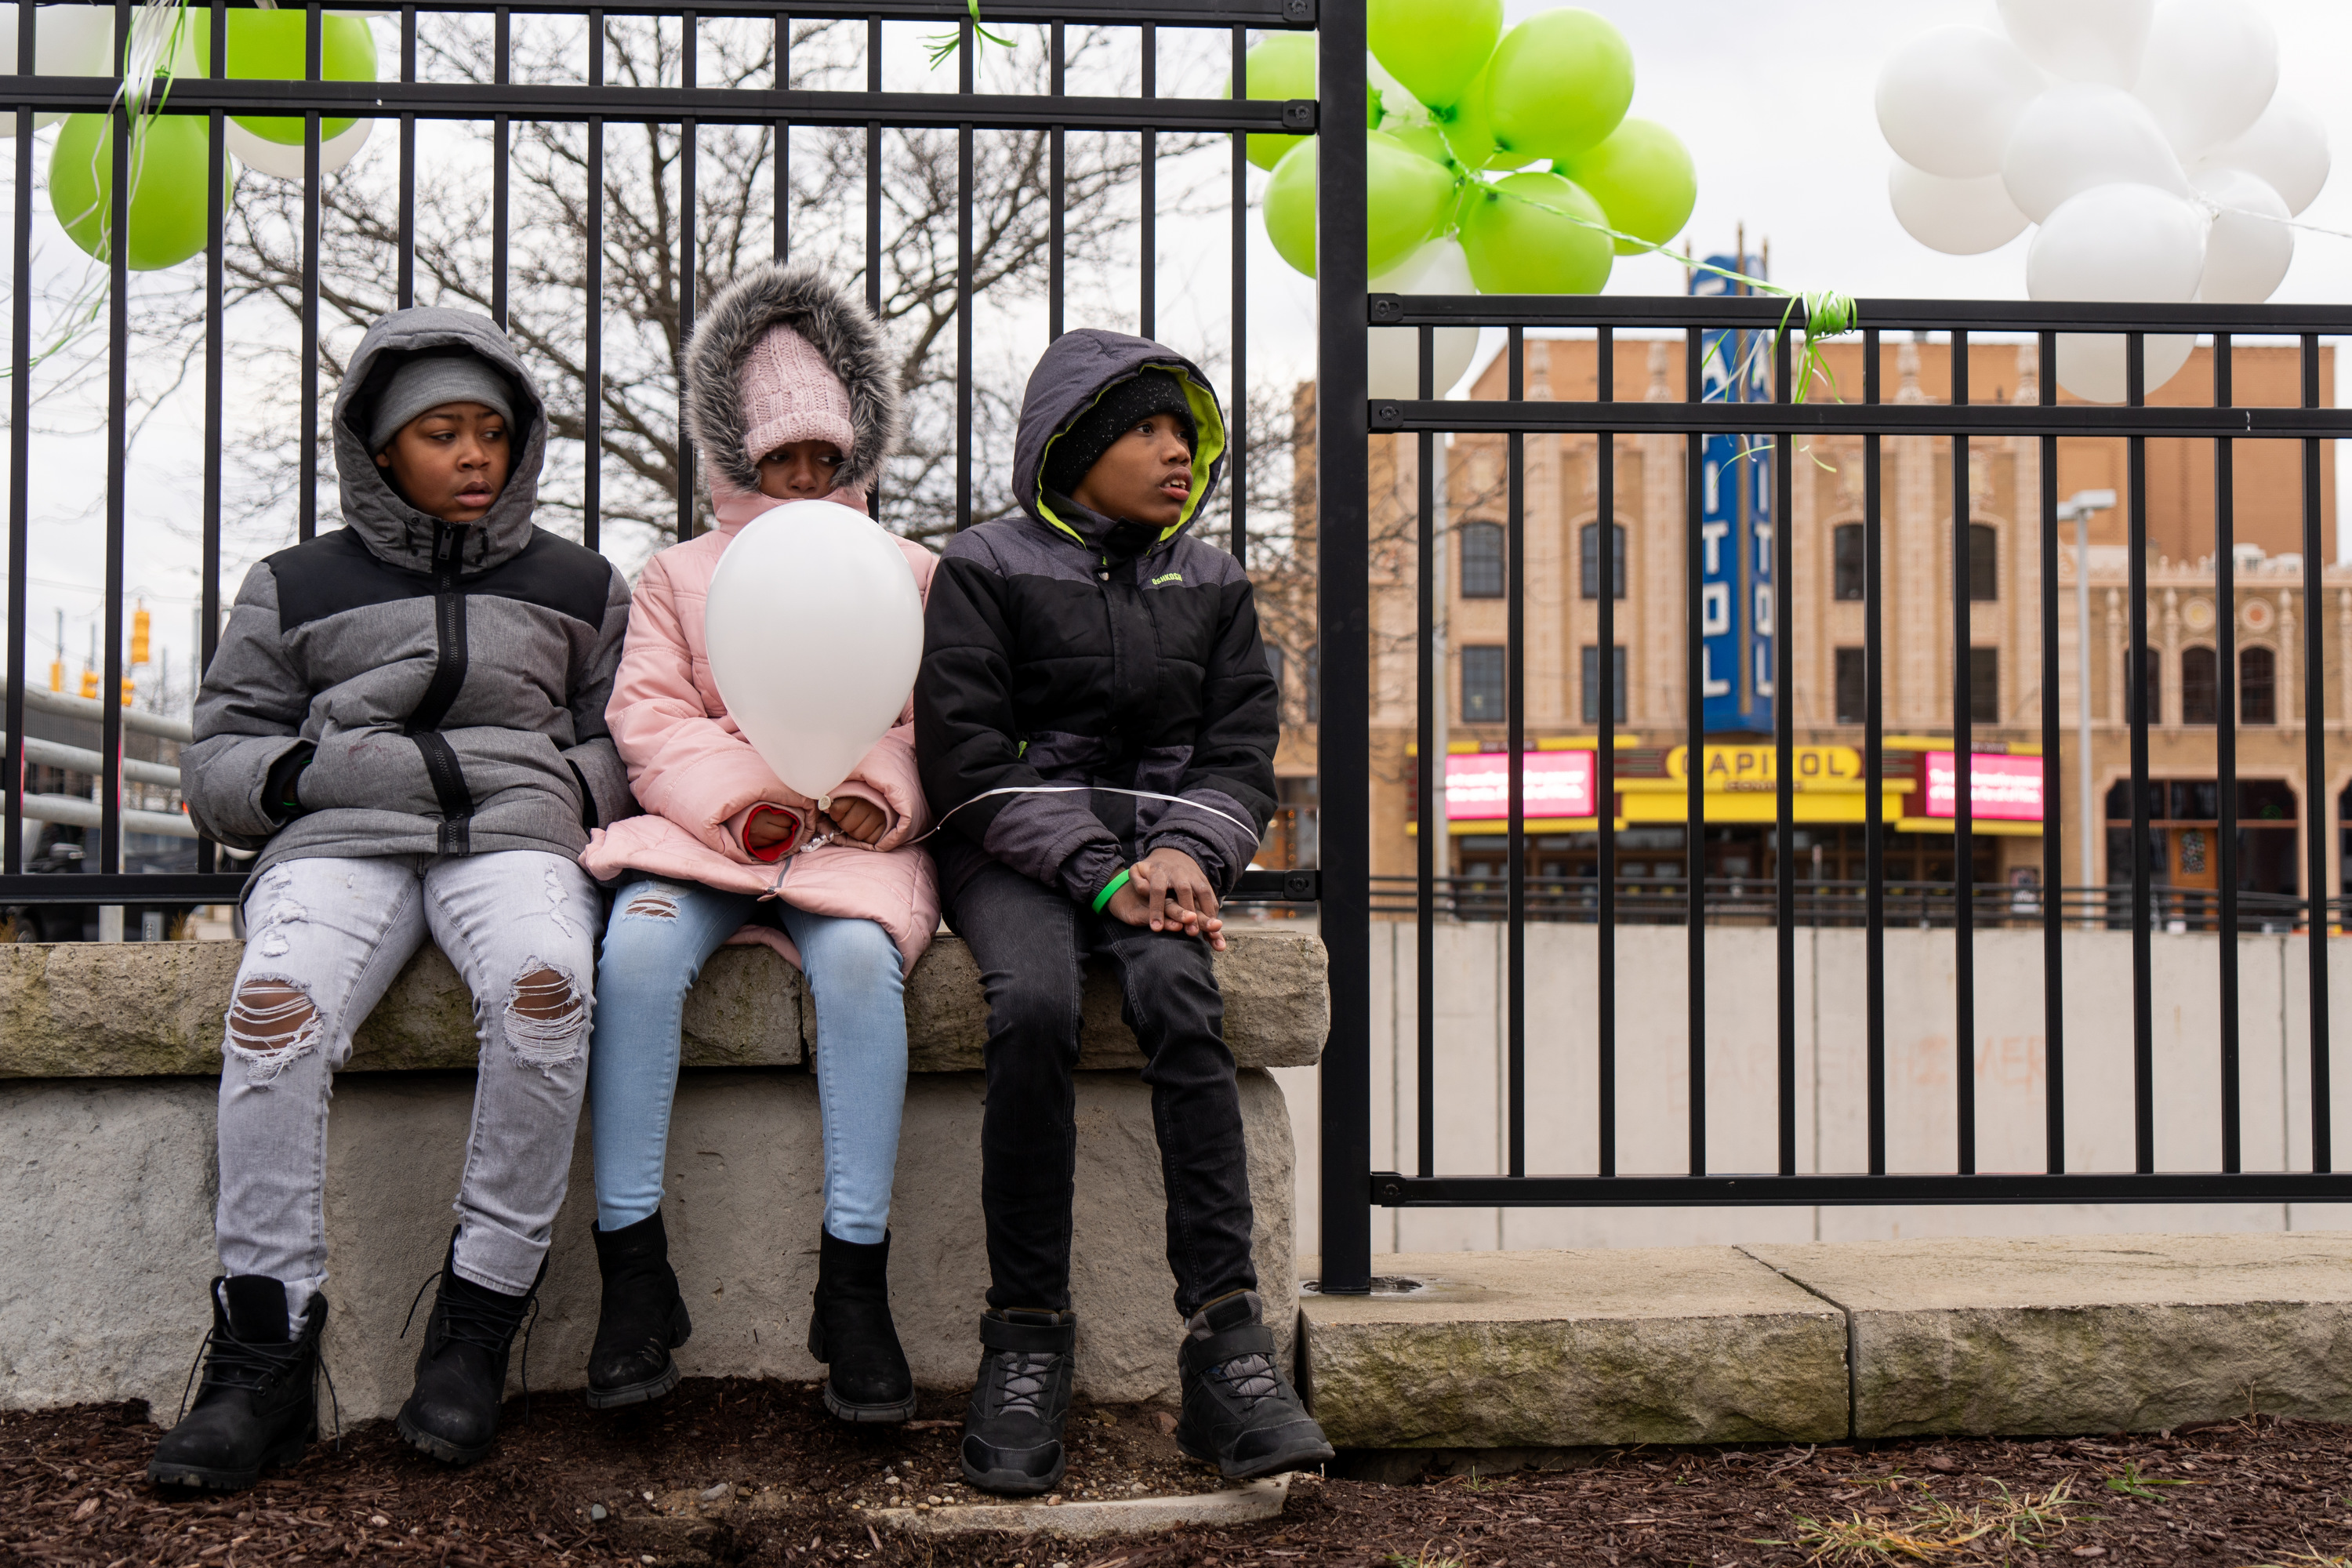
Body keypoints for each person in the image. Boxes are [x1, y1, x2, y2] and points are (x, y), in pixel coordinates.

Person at [150, 308, 633, 1490]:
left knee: (548, 993)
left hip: (513, 840)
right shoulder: (294, 583)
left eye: (492, 433)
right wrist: (307, 776)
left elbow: (628, 741)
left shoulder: (581, 583)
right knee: (272, 1011)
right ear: (380, 450)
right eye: (441, 433)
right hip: (341, 840)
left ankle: (476, 1326)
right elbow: (217, 757)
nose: (475, 457)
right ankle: (261, 1354)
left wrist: (567, 787)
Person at [914, 329, 1333, 1494]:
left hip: (1163, 857)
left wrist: (1191, 854)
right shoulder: (983, 564)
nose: (1177, 453)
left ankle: (1228, 1349)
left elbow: (1240, 752)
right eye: (1147, 431)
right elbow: (965, 759)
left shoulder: (1214, 581)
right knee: (1035, 1006)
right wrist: (1102, 872)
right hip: (1016, 852)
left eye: (1185, 434)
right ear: (1076, 446)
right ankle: (1026, 1336)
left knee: (1179, 999)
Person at [577, 262, 935, 1424]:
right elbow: (649, 718)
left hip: (851, 836)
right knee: (636, 954)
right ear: (736, 456)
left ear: (857, 452)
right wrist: (745, 800)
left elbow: (933, 720)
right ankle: (633, 1276)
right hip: (717, 831)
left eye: (827, 457)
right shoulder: (677, 576)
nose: (806, 480)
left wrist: (875, 791)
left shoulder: (908, 572)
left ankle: (857, 1285)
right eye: (782, 459)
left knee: (862, 966)